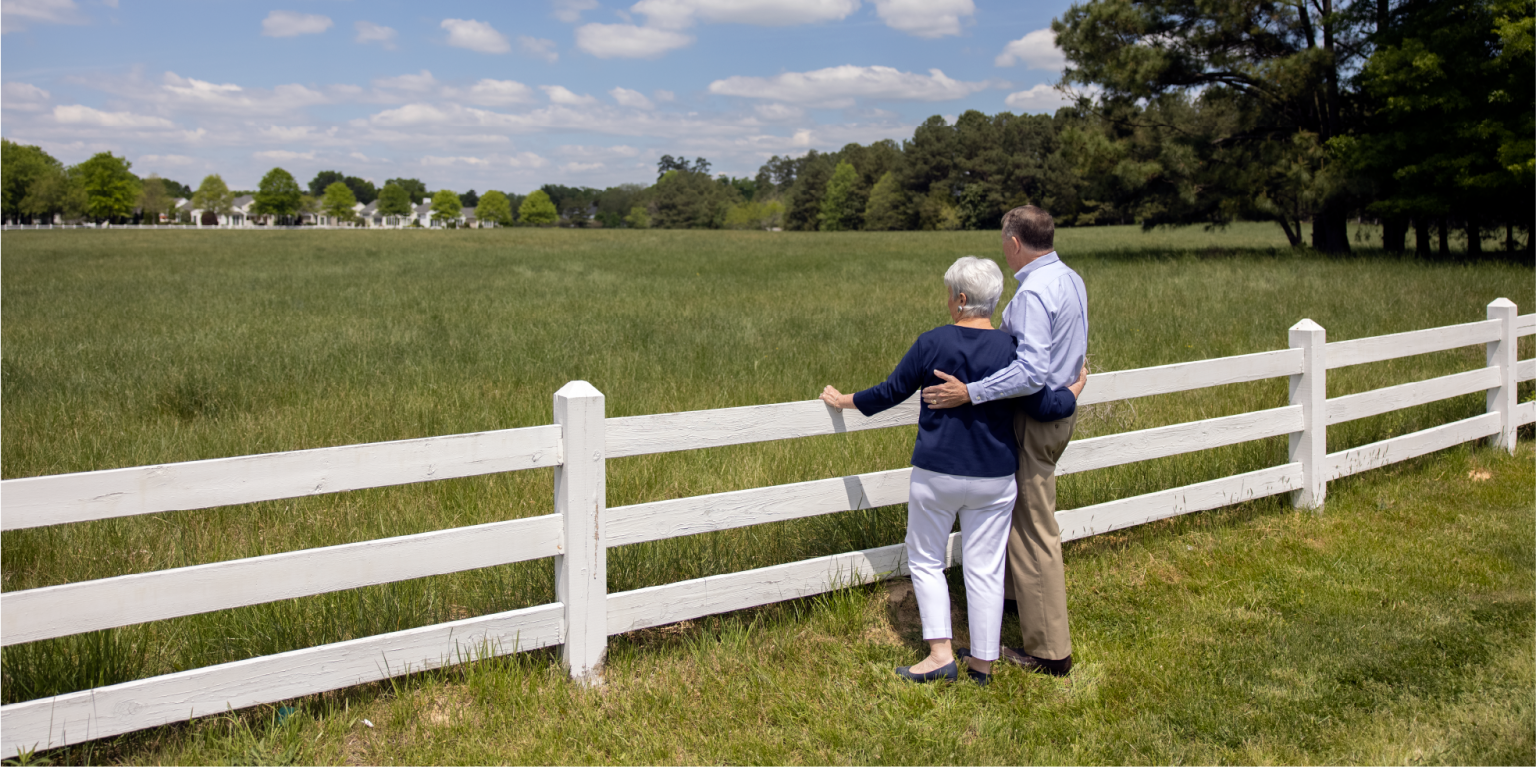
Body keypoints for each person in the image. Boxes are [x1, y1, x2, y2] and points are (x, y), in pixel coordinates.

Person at [820, 256, 1085, 686]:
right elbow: (1044, 404)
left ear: (961, 300)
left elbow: (889, 392)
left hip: (937, 473)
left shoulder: (932, 343)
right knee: (985, 567)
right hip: (995, 477)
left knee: (926, 560)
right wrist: (1074, 389)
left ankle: (939, 655)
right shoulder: (1012, 350)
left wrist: (845, 399)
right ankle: (982, 664)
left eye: (949, 295)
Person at [922, 205, 1088, 677]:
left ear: (1014, 243)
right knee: (1018, 515)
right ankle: (1014, 608)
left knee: (1035, 528)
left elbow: (1031, 371)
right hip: (1057, 412)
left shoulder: (1033, 293)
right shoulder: (1070, 278)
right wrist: (1072, 390)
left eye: (1003, 241)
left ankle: (1050, 652)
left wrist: (969, 392)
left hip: (1037, 418)